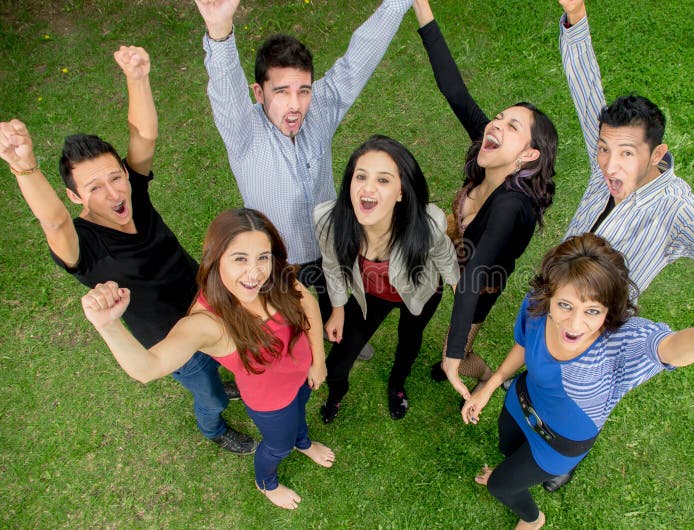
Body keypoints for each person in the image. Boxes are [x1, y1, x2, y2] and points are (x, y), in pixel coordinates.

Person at [543, 0, 694, 493]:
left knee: (588, 393)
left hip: (606, 324)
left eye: (625, 154)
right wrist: (575, 17)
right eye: (603, 148)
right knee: (545, 356)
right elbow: (585, 90)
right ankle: (534, 389)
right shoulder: (607, 162)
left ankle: (565, 456)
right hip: (561, 292)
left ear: (656, 154)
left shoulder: (676, 206)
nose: (609, 165)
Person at [0, 47, 254, 455]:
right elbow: (54, 222)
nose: (114, 193)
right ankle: (213, 429)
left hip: (209, 300)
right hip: (170, 337)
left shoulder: (132, 189)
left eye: (115, 177)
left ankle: (222, 378)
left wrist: (137, 76)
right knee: (211, 395)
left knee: (232, 353)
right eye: (94, 188)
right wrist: (24, 168)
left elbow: (145, 135)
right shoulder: (83, 246)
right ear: (74, 195)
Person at [461, 233, 694, 530]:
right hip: (520, 402)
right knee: (506, 449)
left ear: (609, 310)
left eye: (592, 310)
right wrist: (490, 387)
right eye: (565, 305)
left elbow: (668, 349)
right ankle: (520, 472)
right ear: (549, 295)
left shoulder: (619, 343)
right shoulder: (537, 305)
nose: (574, 324)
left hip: (557, 443)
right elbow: (522, 345)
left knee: (501, 486)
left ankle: (534, 520)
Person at [193, 0, 416, 356]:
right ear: (259, 92)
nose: (295, 104)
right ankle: (291, 350)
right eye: (281, 92)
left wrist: (397, 3)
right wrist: (219, 33)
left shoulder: (319, 111)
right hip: (276, 256)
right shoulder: (244, 131)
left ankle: (345, 338)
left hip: (328, 240)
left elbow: (357, 61)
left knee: (337, 294)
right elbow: (225, 91)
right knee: (279, 316)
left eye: (303, 90)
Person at [81, 208, 334, 510]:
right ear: (215, 258)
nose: (254, 273)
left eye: (262, 257)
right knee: (277, 444)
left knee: (299, 416)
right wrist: (107, 324)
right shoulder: (207, 323)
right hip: (271, 402)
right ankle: (266, 482)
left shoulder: (276, 277)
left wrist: (318, 361)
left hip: (303, 376)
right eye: (240, 258)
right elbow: (147, 369)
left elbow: (310, 308)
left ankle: (302, 442)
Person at [412, 0, 558, 399]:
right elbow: (454, 91)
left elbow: (475, 273)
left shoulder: (513, 206)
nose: (495, 124)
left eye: (511, 127)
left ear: (528, 155)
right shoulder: (492, 149)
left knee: (453, 352)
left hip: (480, 279)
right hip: (457, 244)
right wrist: (422, 7)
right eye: (499, 117)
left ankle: (483, 372)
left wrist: (455, 352)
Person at [313, 135, 460, 423]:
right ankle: (335, 396)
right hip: (370, 296)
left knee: (409, 340)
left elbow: (444, 254)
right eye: (361, 176)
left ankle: (397, 385)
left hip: (419, 293)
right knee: (338, 363)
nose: (368, 188)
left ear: (401, 192)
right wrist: (339, 309)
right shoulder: (329, 221)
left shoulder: (427, 224)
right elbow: (331, 265)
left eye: (383, 180)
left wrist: (457, 285)